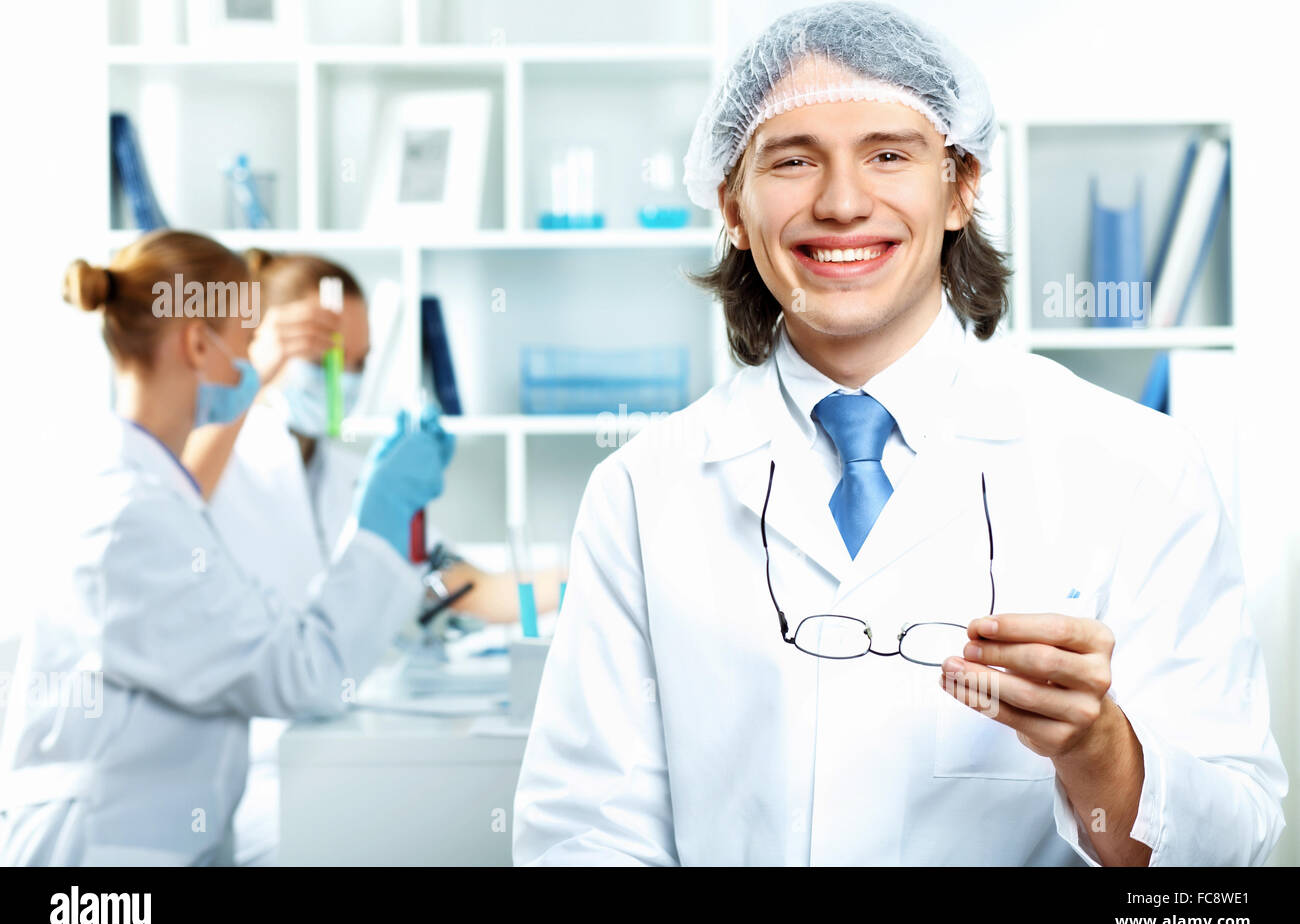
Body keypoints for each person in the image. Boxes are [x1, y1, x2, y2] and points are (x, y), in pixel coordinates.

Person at [513, 0, 1287, 866]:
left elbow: (1235, 845)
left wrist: (1098, 749)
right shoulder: (644, 488)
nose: (842, 203)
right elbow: (588, 832)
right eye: (794, 159)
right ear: (733, 205)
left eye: (889, 154)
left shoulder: (1138, 465)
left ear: (960, 187)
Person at [0, 230, 452, 865]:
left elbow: (267, 633)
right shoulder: (131, 520)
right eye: (245, 349)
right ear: (194, 343)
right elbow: (303, 670)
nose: (249, 372)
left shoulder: (156, 500)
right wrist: (381, 525)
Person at [181, 249, 561, 865]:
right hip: (248, 775)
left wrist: (595, 574)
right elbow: (173, 498)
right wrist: (255, 368)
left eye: (356, 363)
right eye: (322, 357)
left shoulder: (358, 478)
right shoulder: (221, 458)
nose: (343, 381)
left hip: (338, 745)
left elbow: (454, 587)